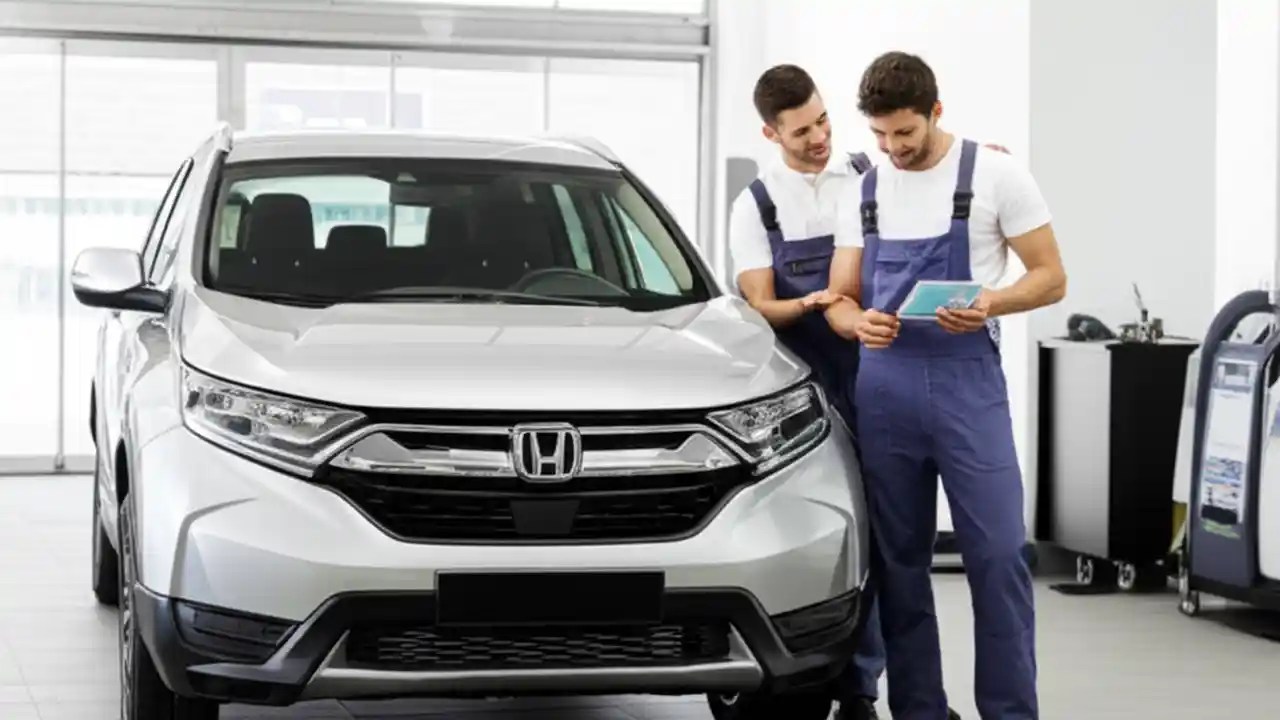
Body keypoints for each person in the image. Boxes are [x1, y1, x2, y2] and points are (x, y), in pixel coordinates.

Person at [824, 51, 1067, 720]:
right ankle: (920, 711)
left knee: (998, 557)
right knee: (899, 566)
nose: (892, 148)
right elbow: (840, 299)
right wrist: (855, 323)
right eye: (878, 135)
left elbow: (1050, 276)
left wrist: (992, 303)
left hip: (968, 390)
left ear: (935, 112)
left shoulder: (995, 175)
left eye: (904, 133)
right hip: (885, 392)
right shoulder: (864, 189)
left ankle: (1010, 712)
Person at [728, 63, 975, 720]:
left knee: (883, 543)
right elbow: (758, 304)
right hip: (798, 396)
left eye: (824, 121)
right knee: (822, 541)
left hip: (872, 376)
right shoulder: (756, 206)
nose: (819, 137)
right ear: (770, 132)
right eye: (803, 129)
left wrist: (990, 160)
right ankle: (819, 684)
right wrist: (811, 299)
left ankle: (868, 691)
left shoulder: (870, 174)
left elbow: (937, 174)